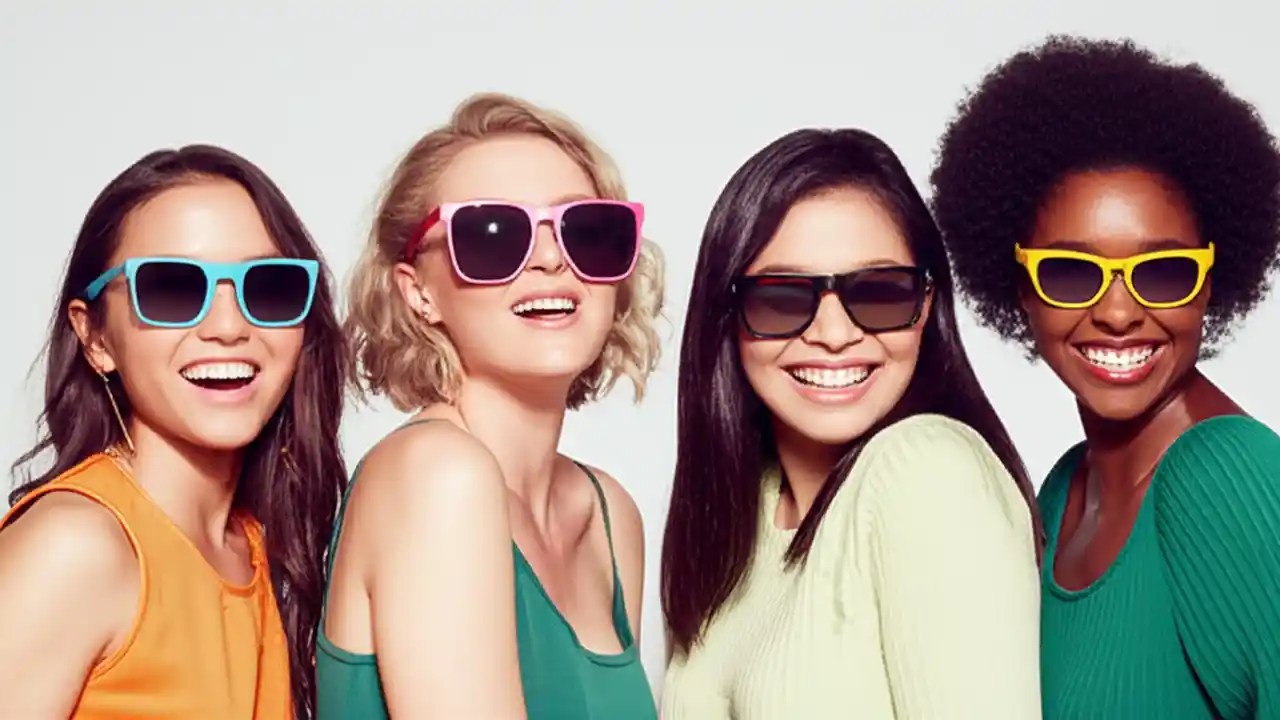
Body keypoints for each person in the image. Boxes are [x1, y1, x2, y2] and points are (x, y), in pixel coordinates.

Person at [930, 35, 1280, 719]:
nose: (1118, 313)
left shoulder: (1230, 478)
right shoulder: (1060, 493)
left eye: (1164, 271)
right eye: (1068, 273)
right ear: (1019, 289)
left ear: (1210, 284)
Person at [660, 127, 1043, 718]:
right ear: (727, 317)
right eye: (782, 299)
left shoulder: (927, 470)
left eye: (881, 294)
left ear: (926, 309)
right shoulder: (741, 516)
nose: (835, 335)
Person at [317, 93, 663, 719]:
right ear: (418, 291)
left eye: (587, 230)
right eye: (493, 235)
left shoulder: (609, 519)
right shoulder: (436, 475)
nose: (552, 260)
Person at [0, 145, 348, 719]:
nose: (230, 327)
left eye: (269, 288)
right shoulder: (77, 547)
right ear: (95, 339)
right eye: (170, 290)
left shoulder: (259, 550)